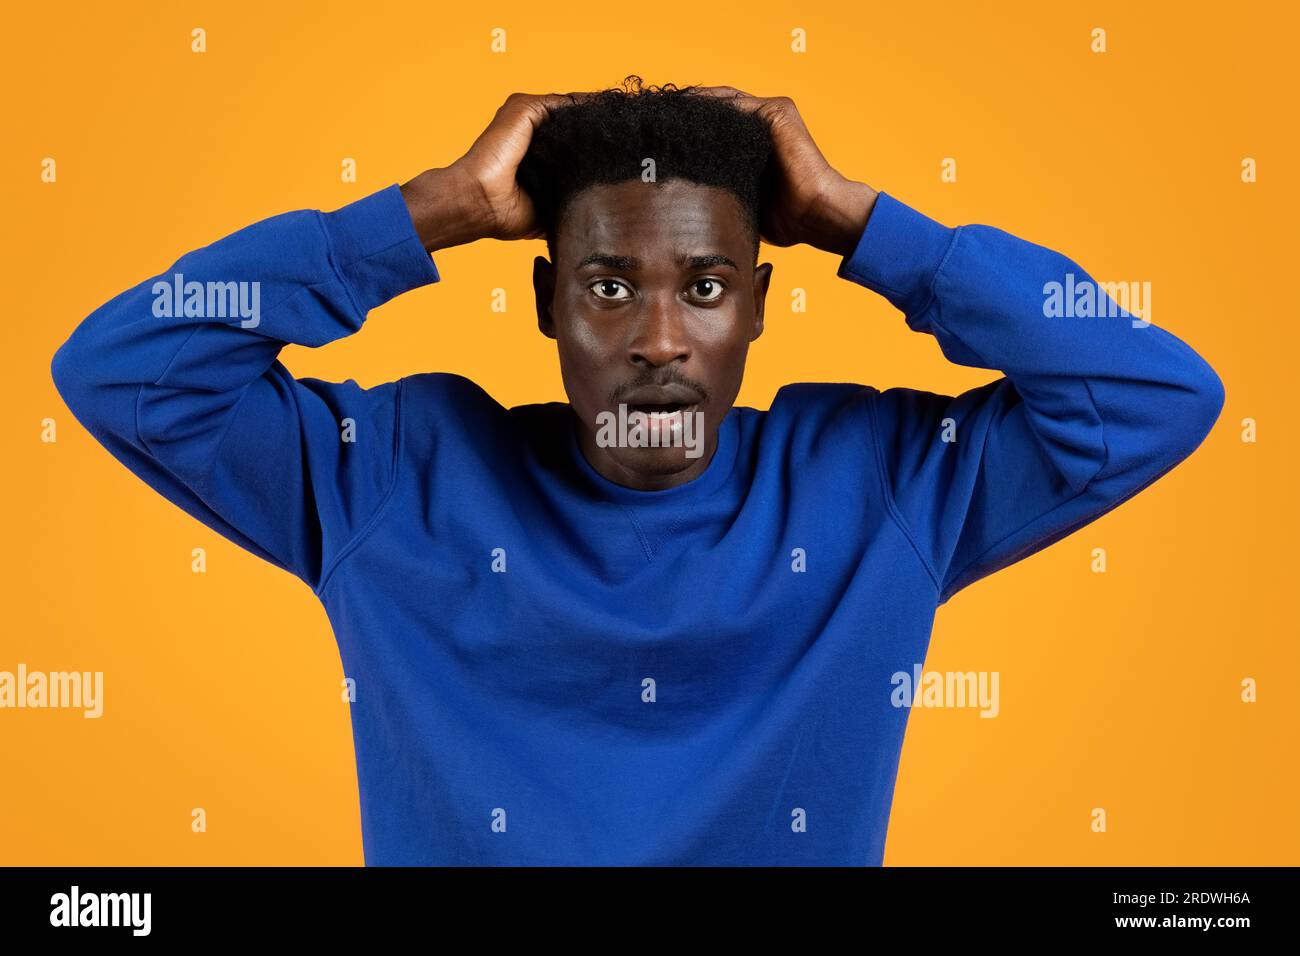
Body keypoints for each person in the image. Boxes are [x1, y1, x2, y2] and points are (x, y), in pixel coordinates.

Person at [50, 78, 1224, 865]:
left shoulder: (875, 487)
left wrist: (862, 222)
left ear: (760, 307)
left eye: (706, 287)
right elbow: (124, 370)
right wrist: (428, 212)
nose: (658, 337)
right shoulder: (393, 477)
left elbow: (1153, 396)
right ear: (546, 304)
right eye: (609, 285)